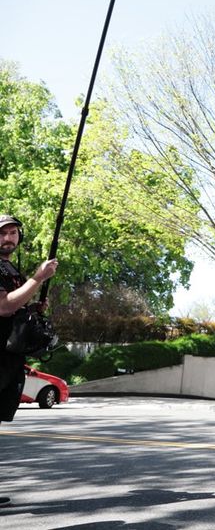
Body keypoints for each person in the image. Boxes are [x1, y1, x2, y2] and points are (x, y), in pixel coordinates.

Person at [0, 214, 58, 509]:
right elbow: (4, 305)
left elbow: (16, 304)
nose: (8, 238)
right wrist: (38, 278)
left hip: (10, 358)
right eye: (3, 233)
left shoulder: (10, 267)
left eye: (13, 233)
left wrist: (33, 304)